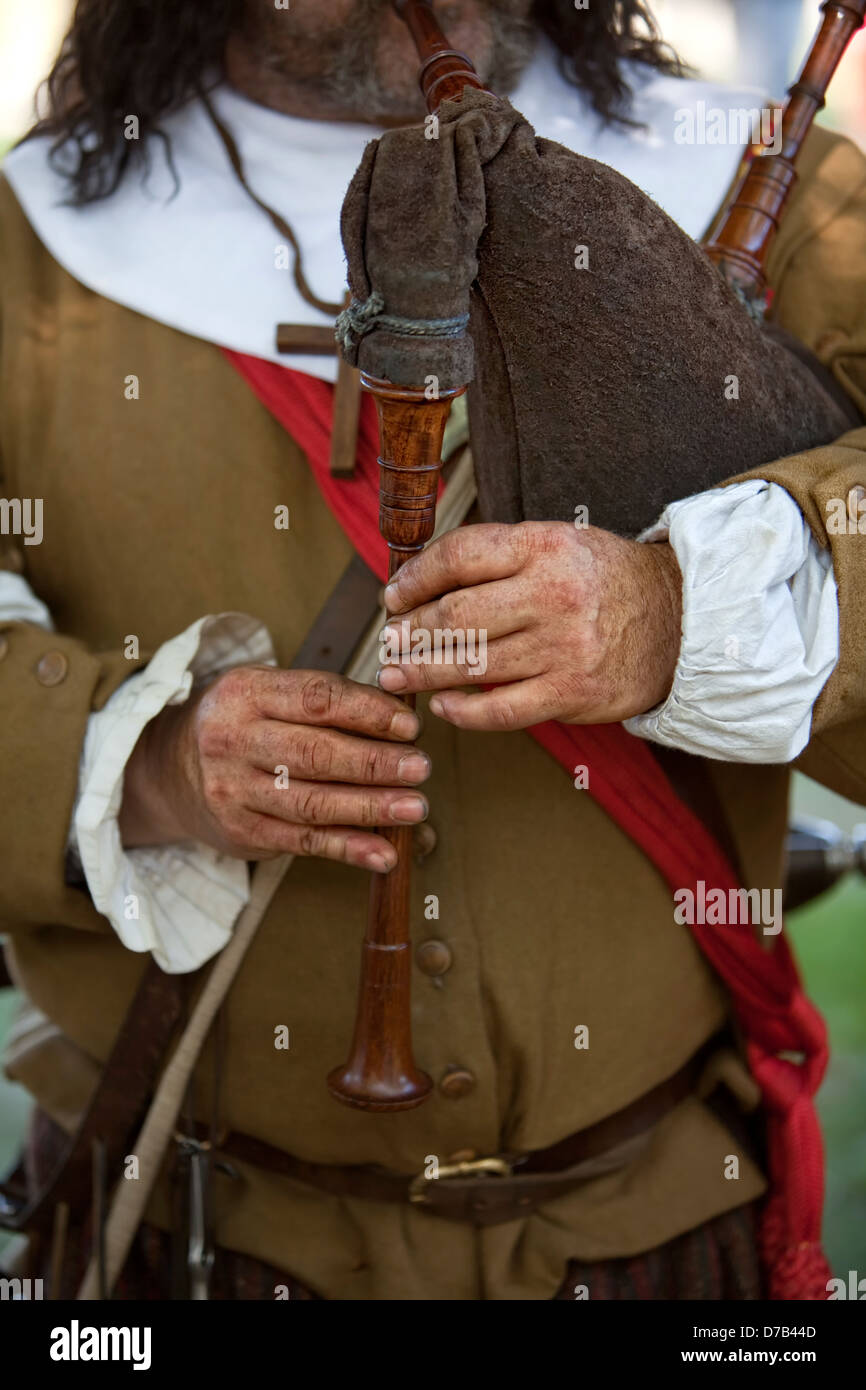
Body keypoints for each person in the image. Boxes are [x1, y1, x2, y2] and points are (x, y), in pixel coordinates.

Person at [0, 0, 864, 1301]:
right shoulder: (32, 248)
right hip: (188, 1241)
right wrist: (143, 765)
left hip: (662, 1234)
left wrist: (677, 612)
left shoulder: (772, 188)